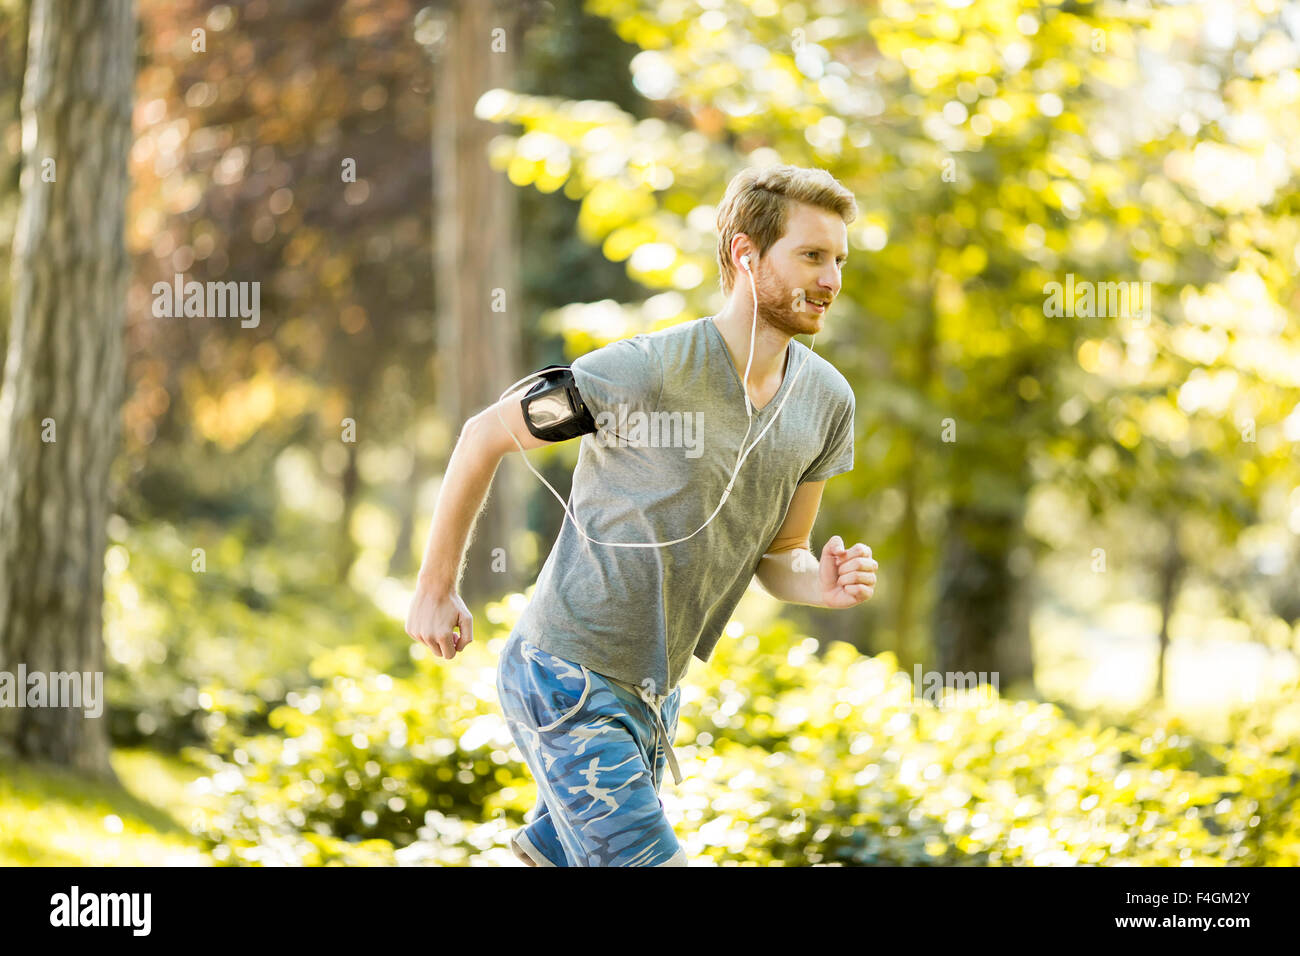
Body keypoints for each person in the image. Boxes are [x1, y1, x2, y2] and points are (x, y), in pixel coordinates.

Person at [405, 163, 879, 866]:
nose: (832, 278)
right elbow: (484, 435)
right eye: (811, 255)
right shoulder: (646, 369)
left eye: (839, 258)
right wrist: (435, 588)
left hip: (655, 699)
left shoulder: (827, 403)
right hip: (566, 675)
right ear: (746, 255)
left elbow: (785, 552)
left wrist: (820, 583)